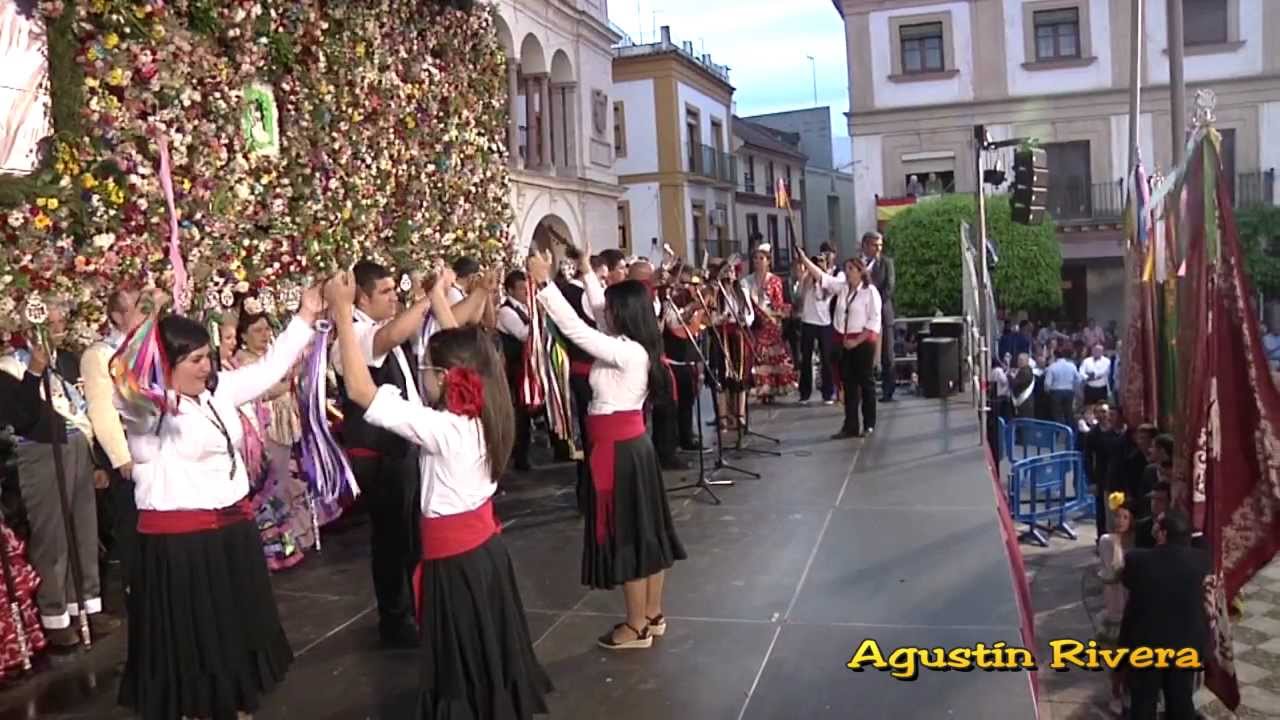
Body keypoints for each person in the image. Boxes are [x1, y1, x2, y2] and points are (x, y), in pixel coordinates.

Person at [331, 276, 552, 718]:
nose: (423, 376)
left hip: (456, 562)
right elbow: (470, 349)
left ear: (447, 378)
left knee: (461, 652)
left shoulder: (445, 429)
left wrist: (341, 311)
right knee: (484, 645)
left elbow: (358, 389)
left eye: (428, 370)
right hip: (482, 551)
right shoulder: (489, 410)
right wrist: (436, 297)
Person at [115, 282, 327, 719]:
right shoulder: (152, 411)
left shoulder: (218, 392)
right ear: (167, 363)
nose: (205, 367)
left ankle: (233, 704)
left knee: (234, 635)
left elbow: (270, 368)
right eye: (194, 360)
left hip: (231, 533)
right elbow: (126, 382)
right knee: (195, 641)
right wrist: (145, 323)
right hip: (183, 547)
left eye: (206, 357)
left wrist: (306, 314)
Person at [526, 248, 686, 650]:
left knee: (630, 536)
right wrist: (585, 269)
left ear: (624, 314)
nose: (605, 313)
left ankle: (635, 626)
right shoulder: (634, 344)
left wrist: (544, 283)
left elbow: (577, 330)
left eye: (613, 309)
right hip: (630, 448)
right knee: (648, 533)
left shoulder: (626, 351)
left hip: (619, 451)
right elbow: (597, 314)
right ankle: (652, 614)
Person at [336, 261, 456, 648]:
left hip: (402, 444)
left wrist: (448, 294)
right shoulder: (353, 334)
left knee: (410, 533)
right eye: (385, 292)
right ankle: (395, 617)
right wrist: (428, 297)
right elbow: (389, 336)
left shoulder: (385, 327)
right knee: (391, 537)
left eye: (394, 290)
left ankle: (416, 606)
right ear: (362, 297)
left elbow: (453, 331)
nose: (393, 298)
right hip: (378, 450)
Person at [0, 303, 115, 649]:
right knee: (54, 536)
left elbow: (79, 408)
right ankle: (56, 614)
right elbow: (21, 414)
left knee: (84, 531)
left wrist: (94, 461)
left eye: (61, 321)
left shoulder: (63, 361)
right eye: (51, 323)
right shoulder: (10, 366)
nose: (58, 328)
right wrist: (34, 373)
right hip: (41, 450)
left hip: (75, 445)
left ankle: (88, 606)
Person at [81, 288, 147, 592]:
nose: (144, 314)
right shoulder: (101, 354)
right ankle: (139, 588)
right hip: (128, 448)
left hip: (156, 444)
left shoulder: (148, 346)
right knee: (134, 524)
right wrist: (121, 457)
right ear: (117, 316)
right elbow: (102, 408)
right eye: (137, 308)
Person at [1120, 509, 1210, 720]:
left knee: (1143, 702)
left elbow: (1127, 582)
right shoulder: (1201, 560)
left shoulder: (1137, 560)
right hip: (1186, 644)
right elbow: (1201, 541)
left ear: (1162, 533)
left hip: (1147, 644)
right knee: (1181, 700)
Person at [795, 252, 882, 439]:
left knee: (866, 382)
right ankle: (850, 425)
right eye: (846, 269)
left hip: (863, 340)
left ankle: (869, 423)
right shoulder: (843, 288)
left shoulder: (870, 292)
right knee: (849, 383)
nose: (847, 272)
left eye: (851, 269)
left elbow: (874, 320)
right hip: (844, 339)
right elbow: (822, 277)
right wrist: (804, 260)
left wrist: (857, 340)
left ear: (860, 271)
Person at [742, 245, 797, 403]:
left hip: (771, 322)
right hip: (756, 323)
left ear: (768, 261)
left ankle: (773, 387)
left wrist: (771, 309)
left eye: (761, 258)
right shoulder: (747, 281)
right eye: (755, 258)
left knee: (773, 355)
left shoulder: (775, 281)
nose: (758, 261)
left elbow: (778, 302)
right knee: (760, 355)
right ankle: (762, 387)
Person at [497, 270, 534, 472]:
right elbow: (522, 334)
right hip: (514, 368)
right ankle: (519, 454)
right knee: (519, 411)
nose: (525, 293)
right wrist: (538, 318)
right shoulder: (506, 312)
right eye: (521, 289)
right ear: (510, 290)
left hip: (525, 366)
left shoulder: (524, 308)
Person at [860, 232, 896, 402]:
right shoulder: (858, 264)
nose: (879, 249)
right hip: (862, 316)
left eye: (880, 245)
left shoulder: (887, 263)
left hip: (883, 313)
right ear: (865, 246)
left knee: (887, 353)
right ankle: (866, 389)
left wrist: (874, 304)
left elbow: (889, 287)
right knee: (864, 353)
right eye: (875, 245)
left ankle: (888, 390)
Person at [795, 255, 835, 405]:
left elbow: (829, 294)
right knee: (806, 358)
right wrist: (806, 279)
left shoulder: (828, 280)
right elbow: (799, 297)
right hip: (808, 321)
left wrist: (820, 278)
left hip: (824, 322)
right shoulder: (806, 279)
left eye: (821, 262)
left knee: (827, 359)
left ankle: (828, 392)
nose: (818, 265)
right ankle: (805, 393)